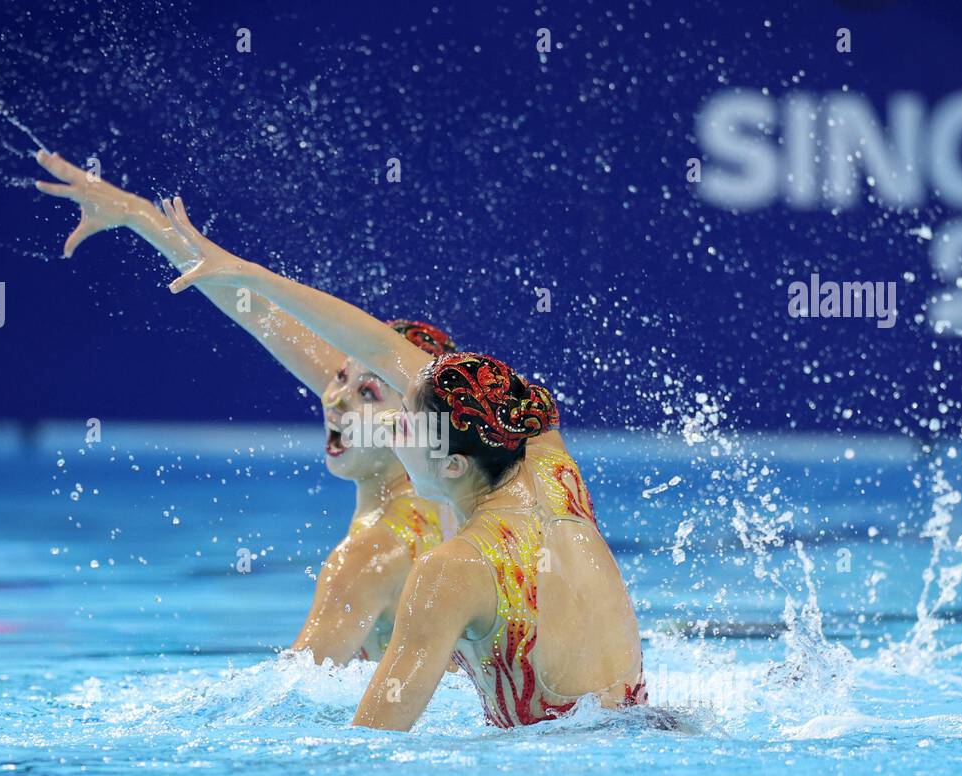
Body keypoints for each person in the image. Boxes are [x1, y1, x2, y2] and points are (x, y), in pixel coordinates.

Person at [159, 194, 645, 731]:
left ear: (454, 465)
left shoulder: (449, 569)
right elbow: (377, 346)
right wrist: (248, 274)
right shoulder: (550, 465)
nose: (390, 429)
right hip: (655, 738)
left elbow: (371, 744)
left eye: (405, 424)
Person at [32, 150, 456, 665]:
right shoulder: (451, 500)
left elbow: (294, 704)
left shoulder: (367, 555)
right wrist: (136, 214)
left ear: (411, 423)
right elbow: (260, 315)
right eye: (339, 376)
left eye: (367, 393)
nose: (336, 398)